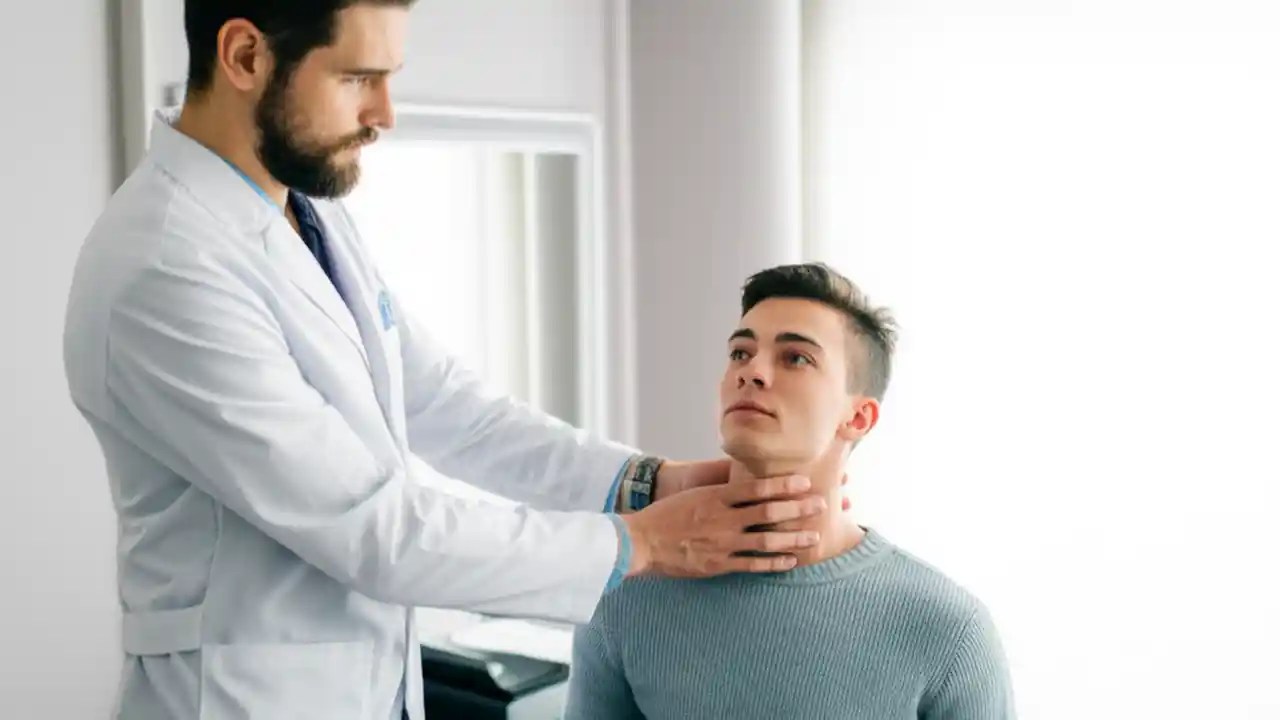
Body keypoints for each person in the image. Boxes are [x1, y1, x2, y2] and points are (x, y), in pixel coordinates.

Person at [61, 3, 831, 719]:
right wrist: (646, 542)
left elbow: (441, 404)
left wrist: (639, 484)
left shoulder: (305, 210)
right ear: (244, 54)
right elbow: (375, 529)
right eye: (358, 78)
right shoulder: (164, 266)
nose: (384, 115)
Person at [566, 263, 1016, 720]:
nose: (752, 372)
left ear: (858, 418)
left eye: (796, 357)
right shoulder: (625, 602)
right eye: (740, 353)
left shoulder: (948, 630)